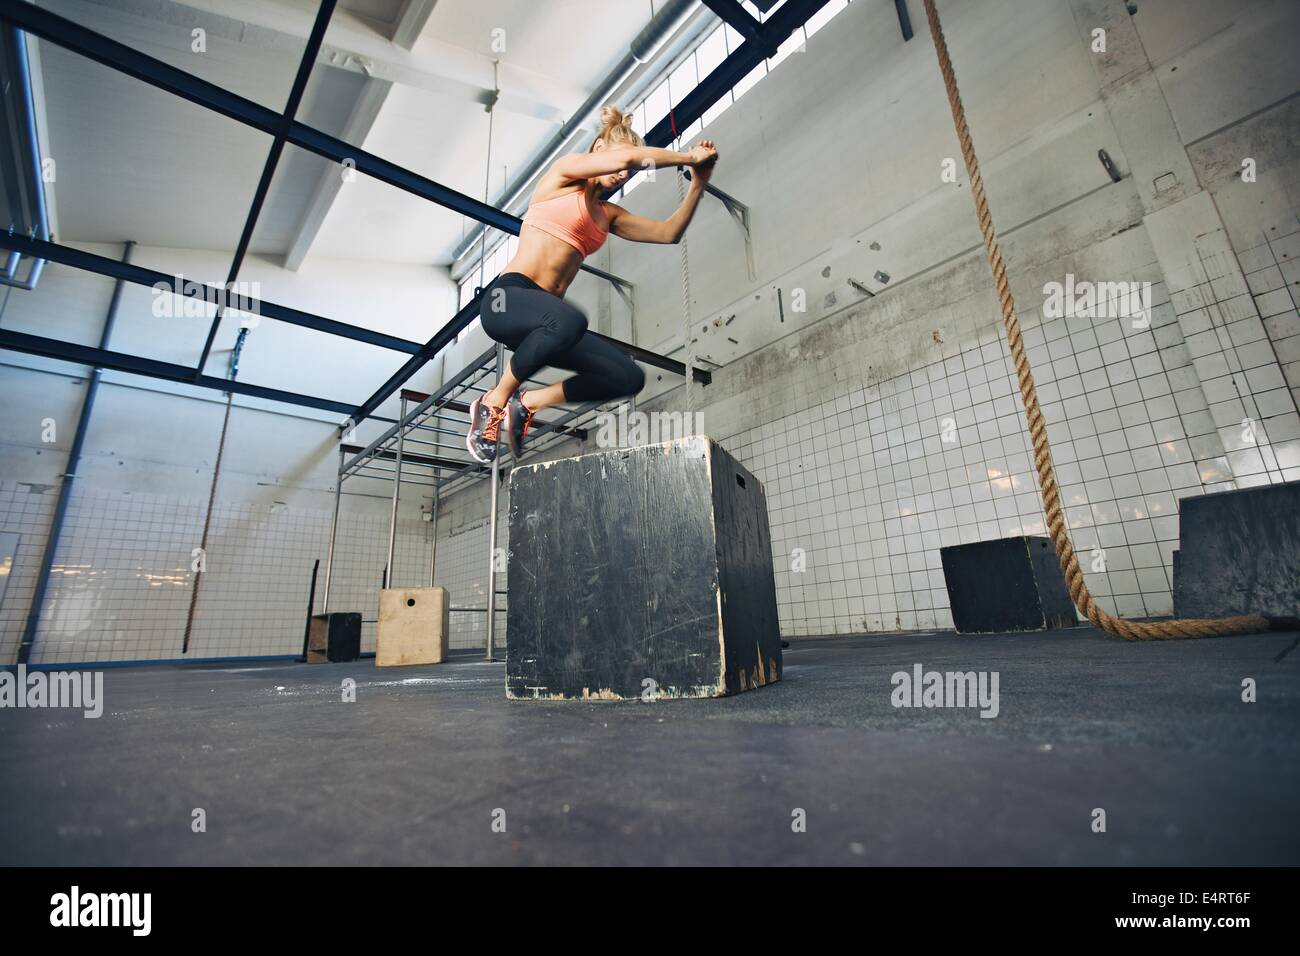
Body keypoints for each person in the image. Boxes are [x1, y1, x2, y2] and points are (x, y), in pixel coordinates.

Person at [465, 105, 719, 462]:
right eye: (618, 164)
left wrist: (699, 182)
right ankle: (493, 401)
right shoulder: (564, 174)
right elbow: (632, 156)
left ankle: (529, 403)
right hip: (505, 302)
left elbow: (668, 233)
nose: (622, 174)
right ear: (598, 151)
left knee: (626, 376)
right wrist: (688, 156)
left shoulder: (608, 214)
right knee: (569, 320)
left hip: (548, 326)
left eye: (627, 173)